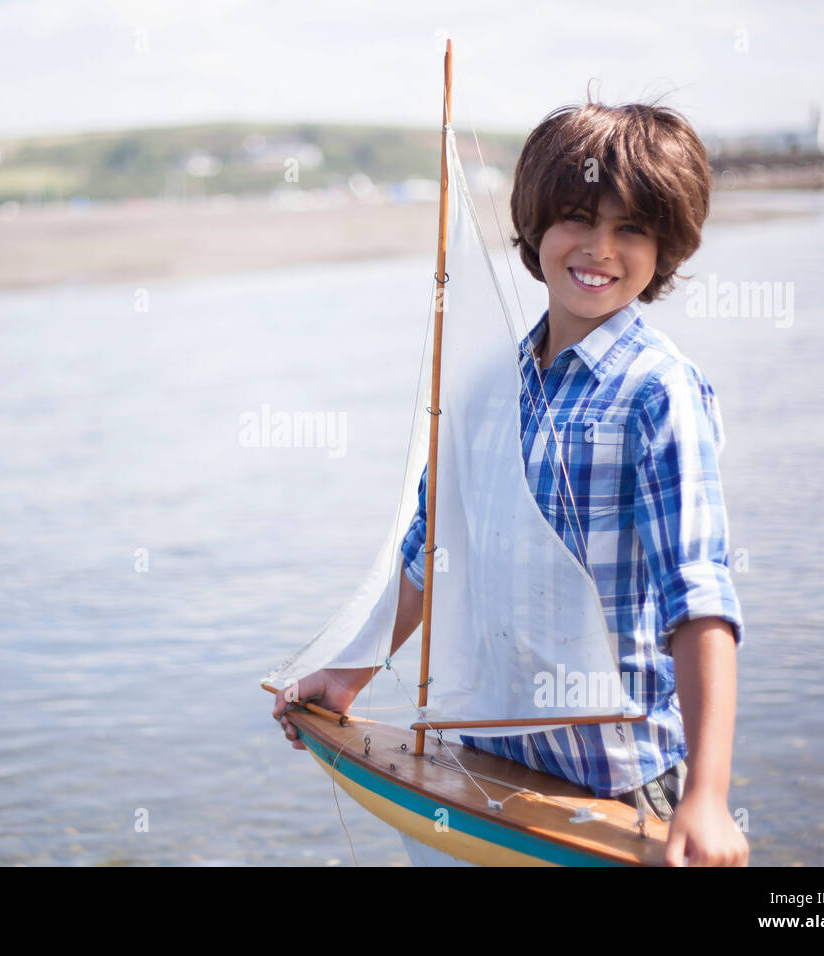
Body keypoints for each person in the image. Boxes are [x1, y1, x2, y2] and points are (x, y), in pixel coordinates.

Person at [273, 99, 748, 867]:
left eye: (631, 228)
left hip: (618, 791)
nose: (600, 248)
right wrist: (349, 672)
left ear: (666, 244)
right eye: (576, 218)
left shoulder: (659, 393)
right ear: (534, 228)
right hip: (485, 764)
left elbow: (698, 598)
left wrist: (710, 798)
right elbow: (431, 553)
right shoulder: (483, 388)